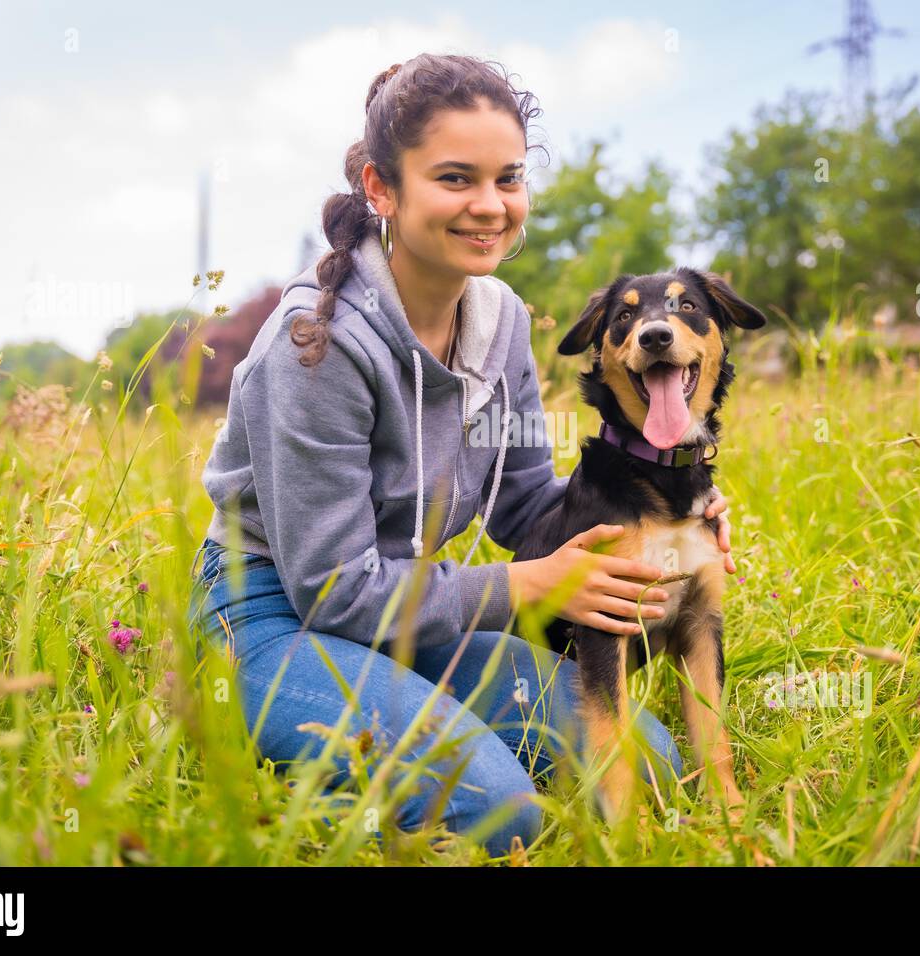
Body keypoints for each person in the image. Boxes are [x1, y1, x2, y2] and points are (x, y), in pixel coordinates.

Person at [189, 53, 737, 858]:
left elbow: (525, 509)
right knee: (495, 808)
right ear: (381, 188)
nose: (489, 206)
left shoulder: (500, 321)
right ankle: (267, 732)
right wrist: (524, 586)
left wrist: (667, 506)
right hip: (274, 611)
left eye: (507, 178)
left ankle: (409, 710)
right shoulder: (316, 347)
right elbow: (333, 591)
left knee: (645, 760)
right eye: (455, 178)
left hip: (411, 614)